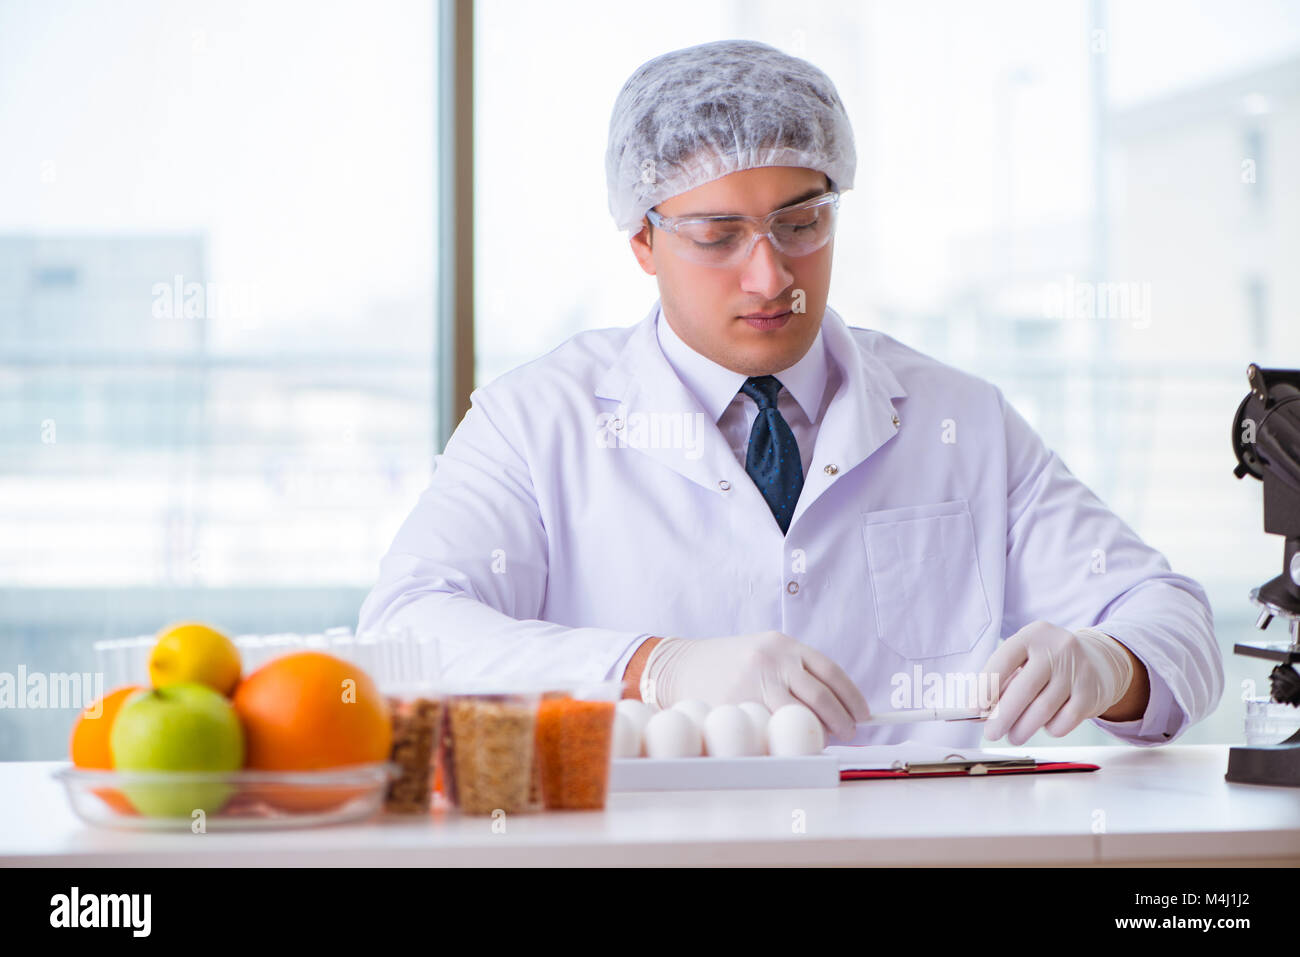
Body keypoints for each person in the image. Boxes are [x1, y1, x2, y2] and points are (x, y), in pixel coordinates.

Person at [358, 39, 1223, 748]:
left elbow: (1170, 614)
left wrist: (1110, 663)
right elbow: (409, 626)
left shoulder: (960, 420)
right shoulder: (533, 422)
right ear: (642, 243)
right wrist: (650, 665)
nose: (770, 273)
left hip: (917, 851)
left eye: (801, 222)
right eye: (718, 234)